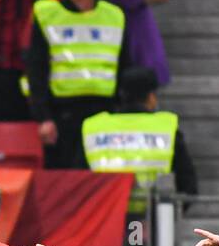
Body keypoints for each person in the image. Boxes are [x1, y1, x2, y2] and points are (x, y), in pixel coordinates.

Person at [25, 0, 125, 167]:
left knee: (99, 179)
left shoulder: (115, 16)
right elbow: (36, 69)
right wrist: (44, 117)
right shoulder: (48, 14)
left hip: (104, 112)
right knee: (65, 180)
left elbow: (123, 65)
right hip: (63, 114)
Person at [81, 65, 197, 218]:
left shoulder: (95, 128)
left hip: (106, 221)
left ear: (121, 94)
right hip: (152, 221)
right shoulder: (165, 128)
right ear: (151, 97)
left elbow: (79, 181)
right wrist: (168, 217)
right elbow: (188, 184)